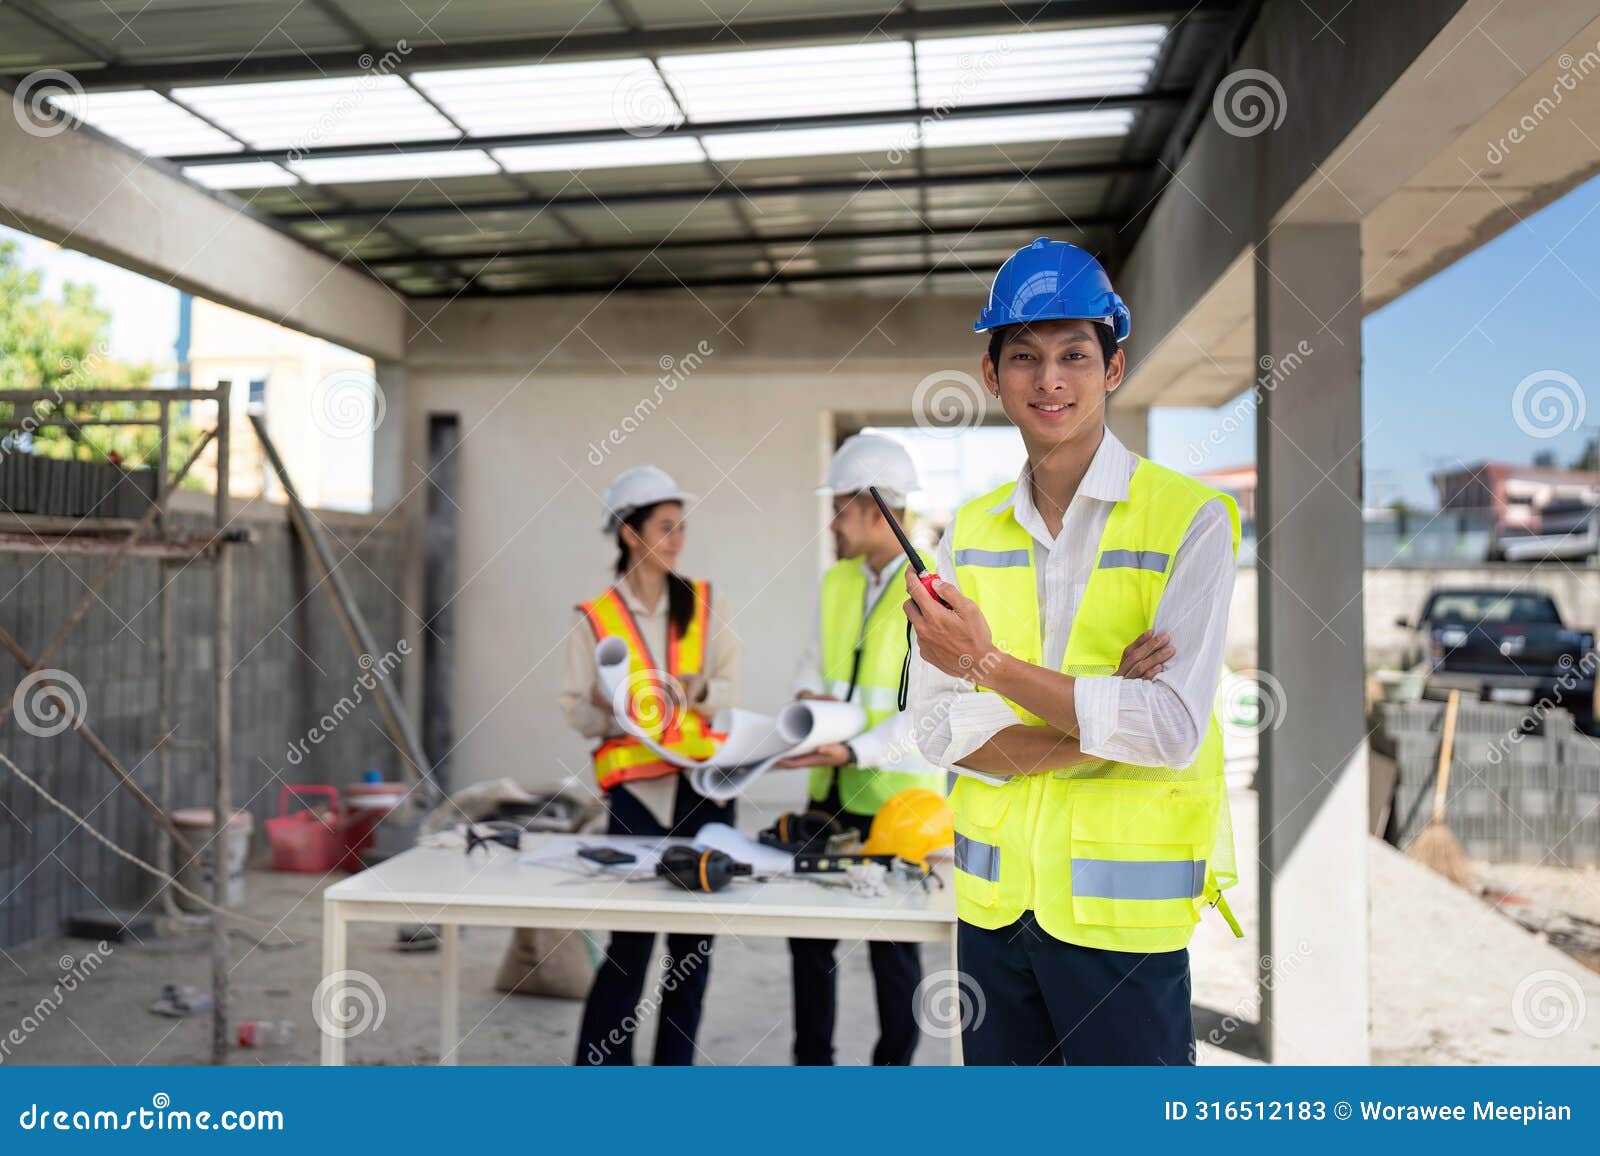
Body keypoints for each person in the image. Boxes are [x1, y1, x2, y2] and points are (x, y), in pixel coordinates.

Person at [903, 238, 1242, 1066]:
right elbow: (937, 731)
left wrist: (991, 668)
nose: (1049, 379)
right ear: (992, 377)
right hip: (992, 918)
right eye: (1024, 357)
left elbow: (1168, 732)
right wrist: (1094, 717)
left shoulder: (1190, 520)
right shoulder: (967, 534)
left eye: (1073, 356)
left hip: (1122, 931)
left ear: (1112, 369)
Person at [770, 433, 947, 1065]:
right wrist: (804, 701)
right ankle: (814, 1075)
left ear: (877, 510)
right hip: (828, 791)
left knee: (892, 951)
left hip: (898, 800)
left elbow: (930, 712)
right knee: (809, 940)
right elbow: (814, 660)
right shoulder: (838, 580)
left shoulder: (932, 587)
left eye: (841, 505)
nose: (833, 520)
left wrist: (852, 752)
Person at [562, 465, 741, 1066]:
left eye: (681, 527)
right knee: (630, 942)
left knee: (692, 947)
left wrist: (694, 689)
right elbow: (573, 705)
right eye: (666, 527)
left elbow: (727, 686)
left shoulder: (705, 603)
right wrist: (609, 711)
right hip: (636, 792)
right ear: (629, 534)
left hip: (703, 788)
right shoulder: (595, 618)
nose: (678, 540)